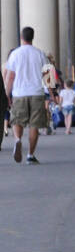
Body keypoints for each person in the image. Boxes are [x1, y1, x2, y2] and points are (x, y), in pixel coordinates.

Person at [4, 27, 50, 163]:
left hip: (19, 93)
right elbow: (48, 76)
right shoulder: (41, 54)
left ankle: (18, 140)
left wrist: (7, 94)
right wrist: (52, 94)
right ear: (32, 37)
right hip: (37, 92)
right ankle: (30, 155)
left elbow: (10, 76)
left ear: (21, 37)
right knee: (34, 124)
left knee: (17, 120)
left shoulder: (15, 54)